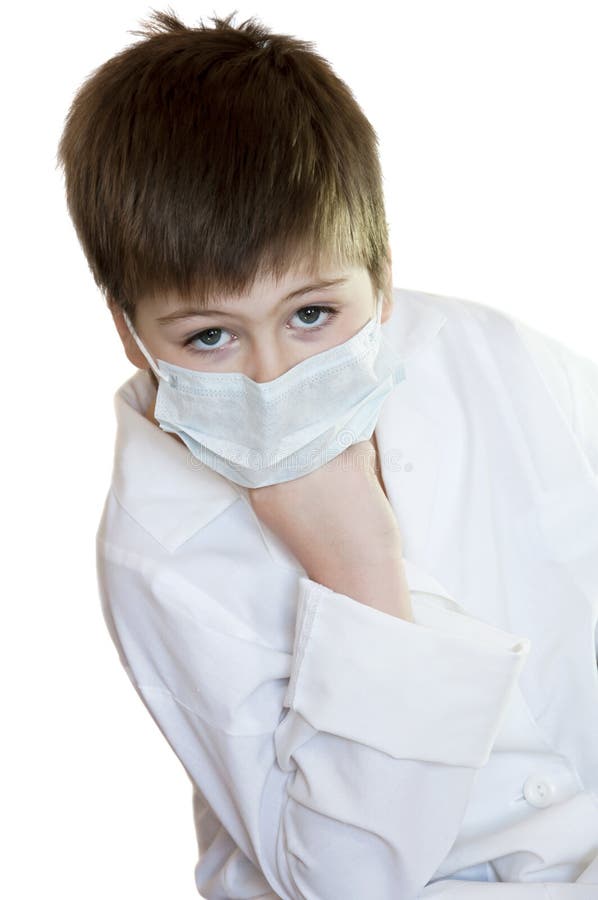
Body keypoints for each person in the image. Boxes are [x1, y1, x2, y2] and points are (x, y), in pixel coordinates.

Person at [56, 9, 598, 898]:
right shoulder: (158, 548)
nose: (273, 381)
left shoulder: (497, 359)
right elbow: (343, 881)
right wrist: (358, 574)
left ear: (382, 281)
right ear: (129, 334)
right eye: (208, 338)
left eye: (313, 315)